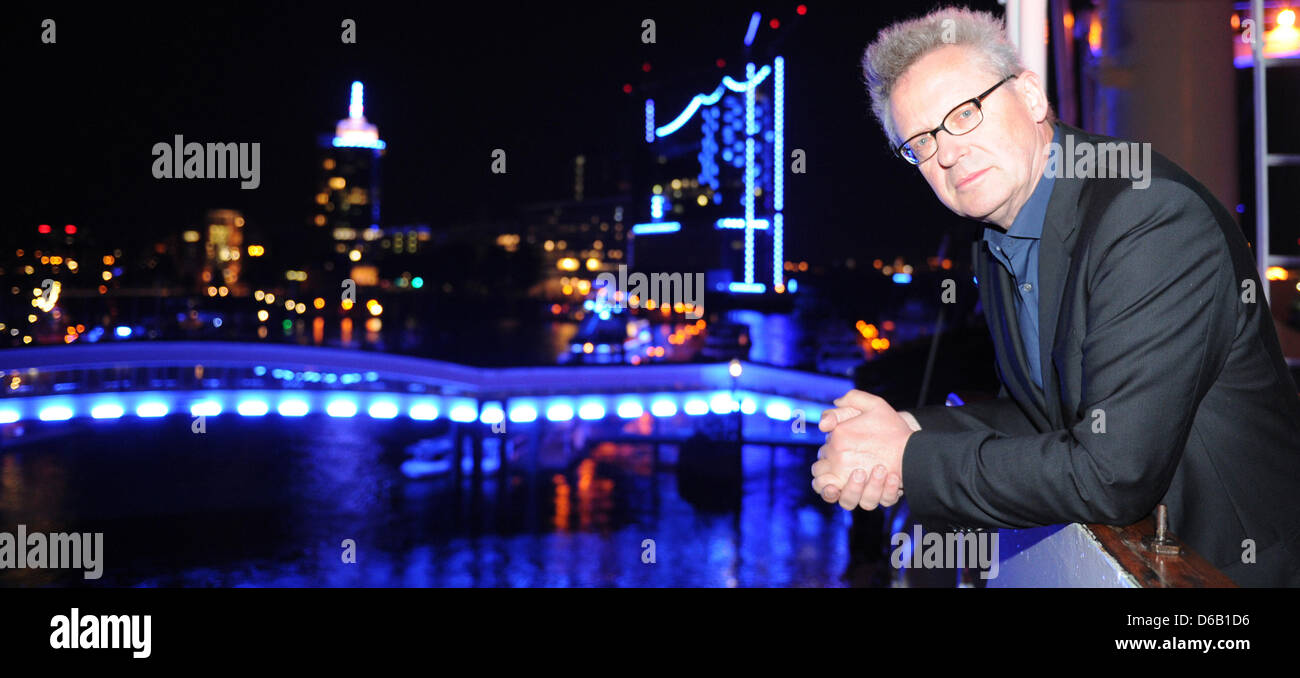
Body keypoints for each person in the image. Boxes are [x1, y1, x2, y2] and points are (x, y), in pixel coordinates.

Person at [810, 6, 1300, 586]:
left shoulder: (1148, 218)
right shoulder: (997, 235)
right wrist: (907, 429)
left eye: (965, 114)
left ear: (1032, 97)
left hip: (1232, 574)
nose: (947, 152)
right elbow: (1042, 415)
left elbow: (1114, 475)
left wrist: (906, 461)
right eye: (921, 141)